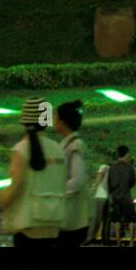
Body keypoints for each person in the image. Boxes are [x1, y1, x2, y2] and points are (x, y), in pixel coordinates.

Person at [0, 98, 67, 246]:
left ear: (24, 122)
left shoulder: (21, 150)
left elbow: (14, 189)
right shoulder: (59, 150)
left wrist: (2, 199)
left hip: (27, 228)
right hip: (52, 227)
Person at [55, 99, 90, 246]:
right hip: (71, 218)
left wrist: (58, 192)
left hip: (72, 220)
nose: (53, 121)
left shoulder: (75, 146)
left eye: (55, 117)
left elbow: (78, 179)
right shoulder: (68, 143)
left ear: (62, 122)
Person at [106, 145, 136, 246]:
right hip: (126, 196)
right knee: (131, 219)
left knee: (116, 220)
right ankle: (131, 242)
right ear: (126, 154)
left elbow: (109, 183)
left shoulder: (112, 167)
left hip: (115, 197)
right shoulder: (129, 167)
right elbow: (132, 182)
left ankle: (118, 242)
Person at [87, 163, 110, 243]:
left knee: (95, 218)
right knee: (106, 219)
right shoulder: (113, 168)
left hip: (100, 194)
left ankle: (90, 237)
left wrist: (93, 188)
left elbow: (99, 177)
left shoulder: (104, 166)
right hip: (109, 195)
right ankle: (105, 238)